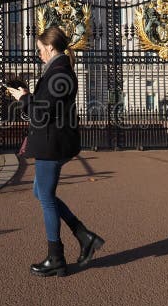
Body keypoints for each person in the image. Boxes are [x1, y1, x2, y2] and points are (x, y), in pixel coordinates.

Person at [6, 26, 104, 277]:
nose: (38, 54)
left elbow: (43, 112)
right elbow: (45, 107)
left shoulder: (59, 73)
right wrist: (27, 97)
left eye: (40, 49)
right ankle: (83, 235)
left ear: (50, 47)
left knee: (46, 198)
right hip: (52, 140)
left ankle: (56, 257)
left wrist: (24, 99)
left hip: (53, 143)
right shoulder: (57, 71)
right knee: (40, 192)